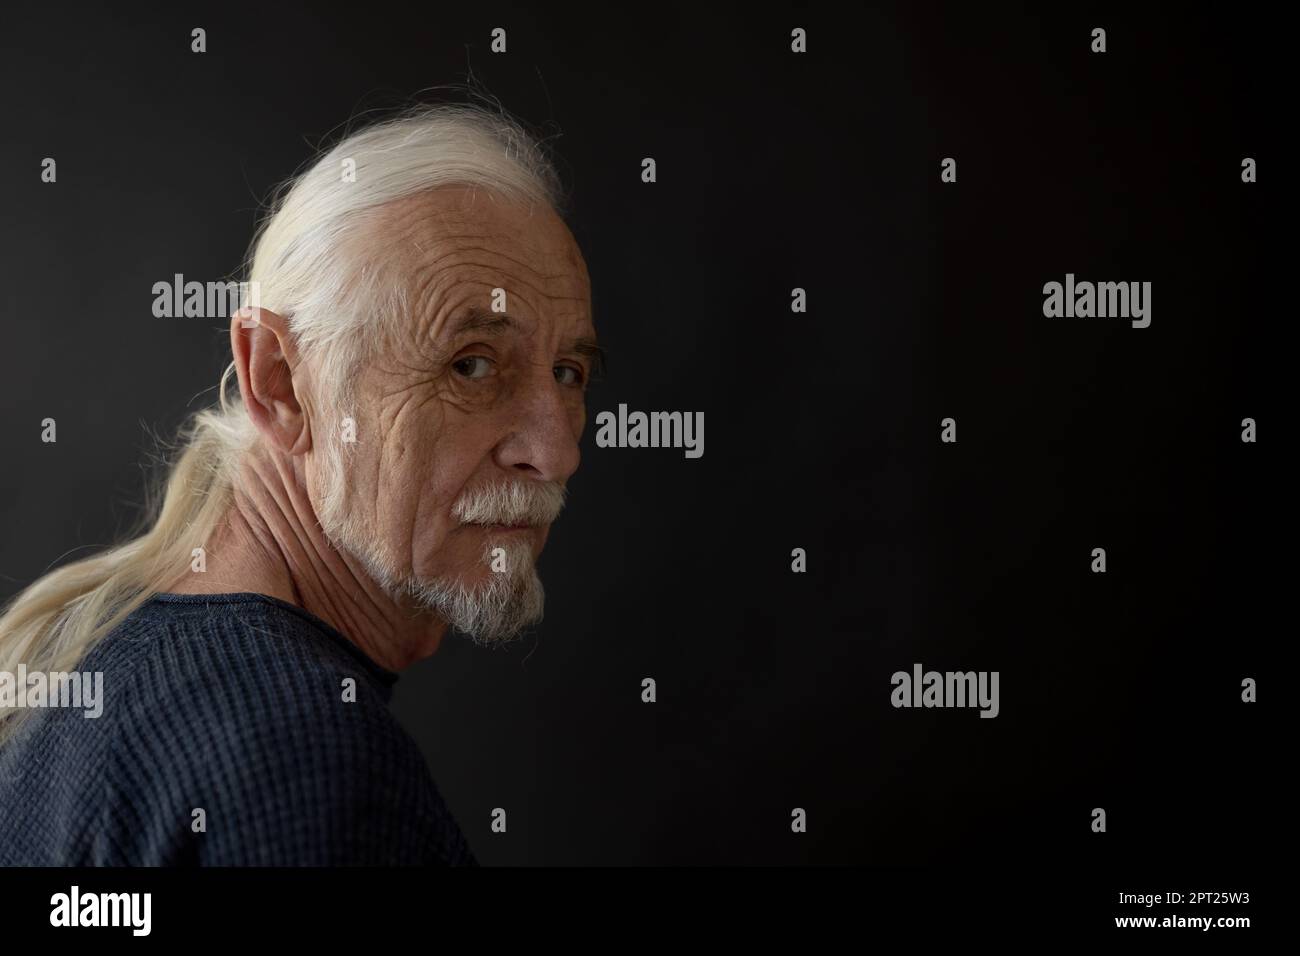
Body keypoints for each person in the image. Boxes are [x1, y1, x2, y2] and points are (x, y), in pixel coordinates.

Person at [0, 101, 600, 865]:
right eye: (472, 364)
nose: (556, 452)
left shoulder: (95, 659)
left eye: (569, 373)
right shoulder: (310, 772)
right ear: (281, 382)